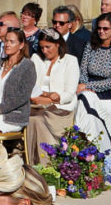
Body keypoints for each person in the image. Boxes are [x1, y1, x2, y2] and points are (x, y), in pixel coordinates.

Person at [22, 30, 80, 158]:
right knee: (28, 117)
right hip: (36, 104)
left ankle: (45, 159)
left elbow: (69, 94)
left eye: (48, 47)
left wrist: (51, 99)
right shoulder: (36, 59)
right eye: (42, 47)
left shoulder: (70, 61)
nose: (44, 51)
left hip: (60, 110)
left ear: (58, 44)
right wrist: (47, 95)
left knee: (36, 120)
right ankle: (32, 158)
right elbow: (30, 85)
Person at [74, 12, 111, 145]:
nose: (101, 31)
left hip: (110, 92)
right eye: (99, 28)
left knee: (84, 98)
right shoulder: (90, 46)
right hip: (88, 86)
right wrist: (86, 85)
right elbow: (83, 71)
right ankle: (88, 138)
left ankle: (90, 140)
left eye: (105, 28)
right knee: (83, 98)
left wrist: (88, 86)